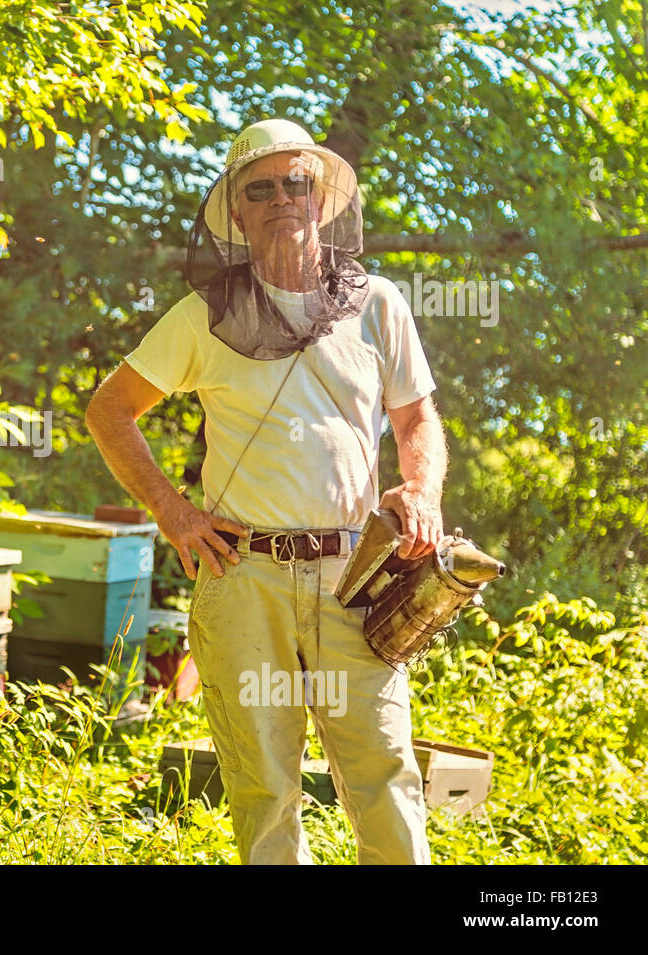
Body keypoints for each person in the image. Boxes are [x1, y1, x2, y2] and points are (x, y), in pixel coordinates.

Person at [85, 118, 448, 864]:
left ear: (321, 199)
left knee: (384, 773)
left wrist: (421, 489)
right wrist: (171, 509)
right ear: (237, 212)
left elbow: (416, 416)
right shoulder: (201, 319)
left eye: (297, 182)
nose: (283, 197)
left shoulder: (379, 304)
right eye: (262, 187)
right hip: (243, 576)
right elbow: (109, 410)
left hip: (356, 576)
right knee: (264, 786)